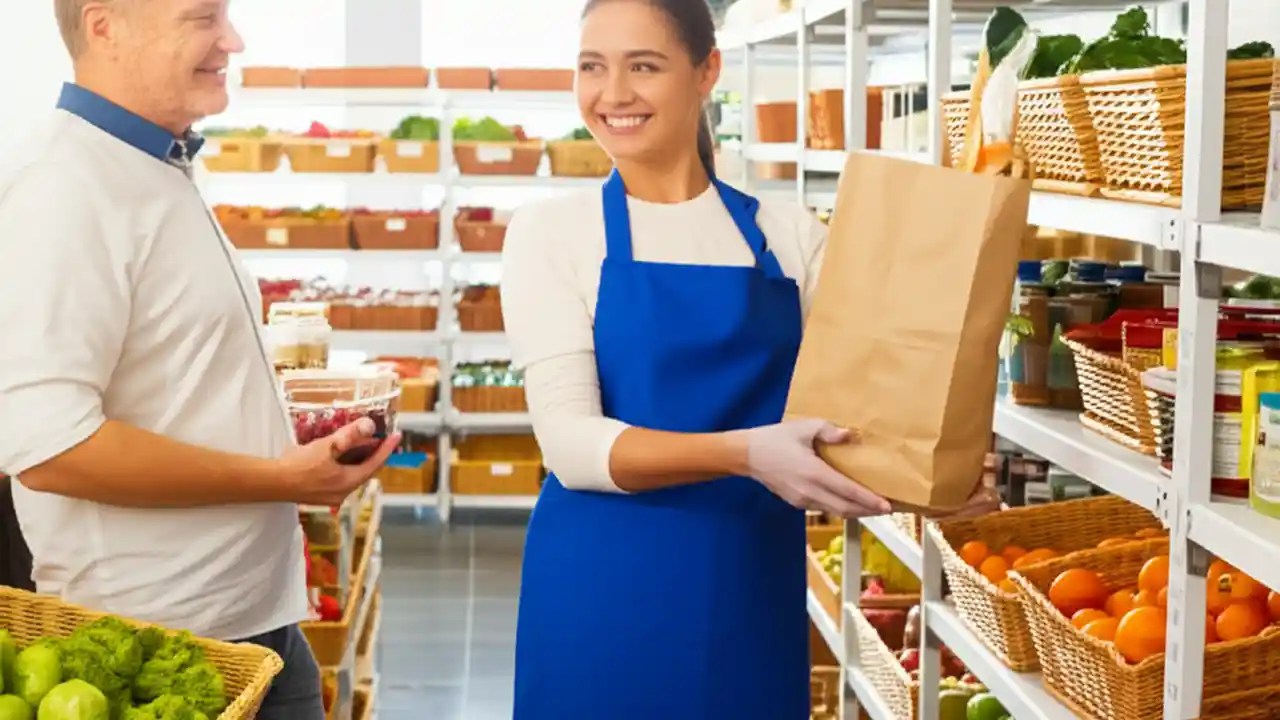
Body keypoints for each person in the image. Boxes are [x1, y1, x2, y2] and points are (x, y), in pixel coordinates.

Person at [502, 1, 1000, 717]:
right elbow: (569, 444)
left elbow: (860, 417)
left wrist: (936, 473)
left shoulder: (788, 235)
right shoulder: (552, 232)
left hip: (747, 586)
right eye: (592, 67)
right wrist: (747, 454)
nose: (612, 94)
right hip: (600, 592)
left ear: (707, 71)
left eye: (643, 66)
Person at [0, 1, 399, 717]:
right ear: (105, 27)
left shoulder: (154, 165)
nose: (233, 40)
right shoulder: (61, 192)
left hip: (251, 628)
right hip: (156, 654)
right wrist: (279, 478)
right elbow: (51, 447)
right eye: (202, 17)